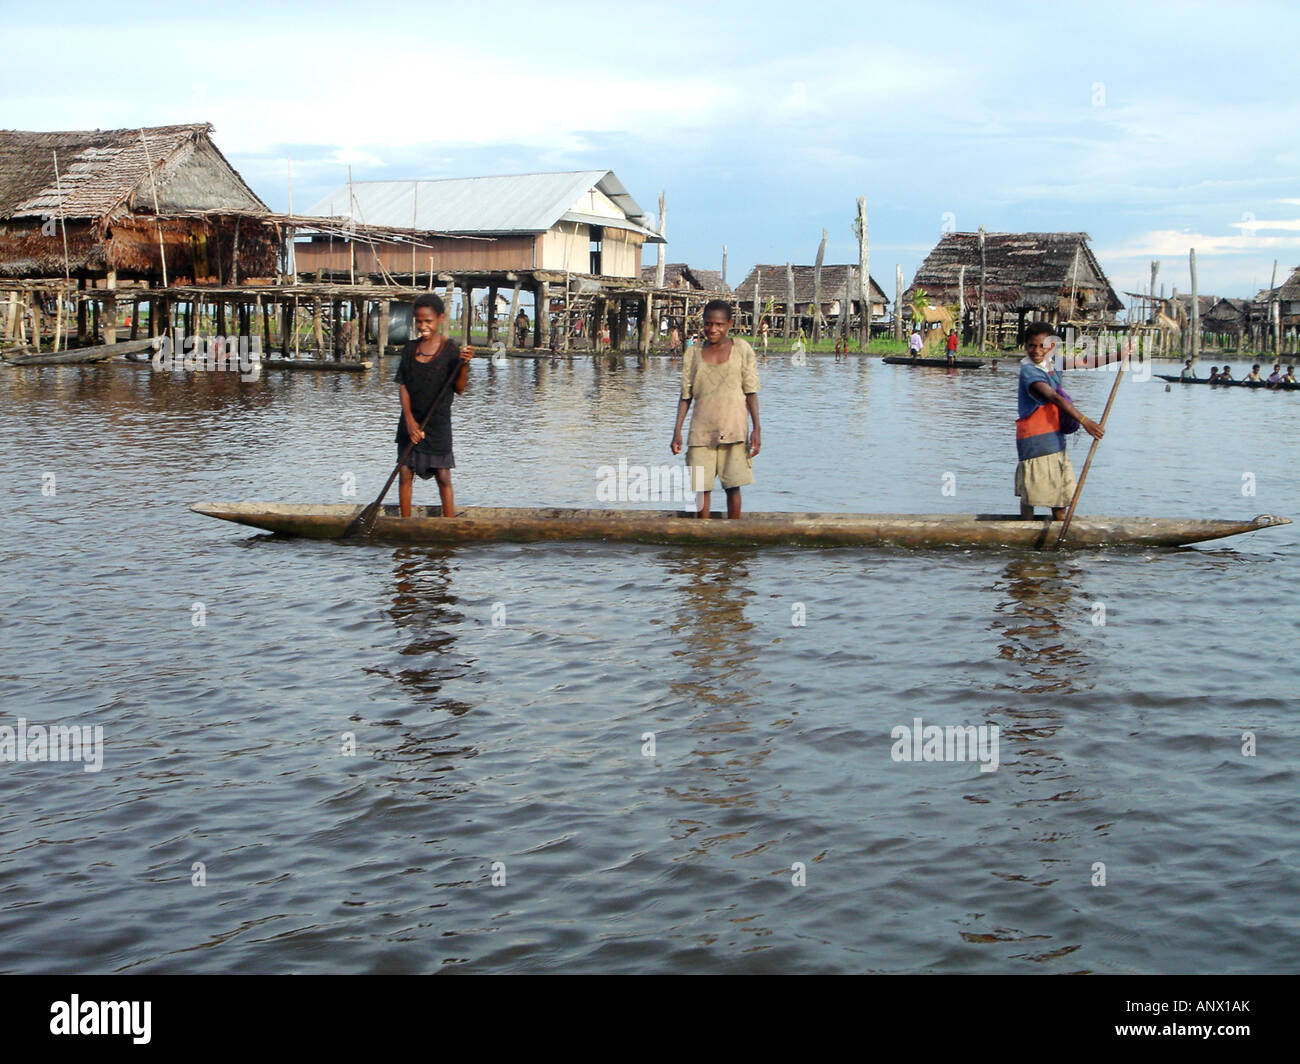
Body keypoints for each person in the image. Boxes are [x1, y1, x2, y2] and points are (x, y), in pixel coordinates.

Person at [671, 300, 760, 519]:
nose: (713, 329)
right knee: (702, 489)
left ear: (729, 324)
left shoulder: (741, 349)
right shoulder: (693, 354)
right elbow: (685, 396)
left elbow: (751, 392)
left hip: (734, 431)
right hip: (701, 433)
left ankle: (735, 532)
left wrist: (757, 428)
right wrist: (677, 431)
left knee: (733, 487)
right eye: (708, 324)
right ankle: (704, 535)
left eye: (719, 324)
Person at [1015, 322, 1104, 521]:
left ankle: (1055, 527)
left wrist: (1121, 355)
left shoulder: (1053, 362)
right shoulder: (1029, 370)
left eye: (1043, 346)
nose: (1037, 351)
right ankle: (1025, 530)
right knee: (1032, 493)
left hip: (1054, 438)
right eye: (1032, 346)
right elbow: (1054, 397)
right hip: (1035, 440)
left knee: (1060, 498)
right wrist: (1085, 421)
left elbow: (1087, 363)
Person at [394, 293, 472, 518]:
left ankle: (448, 524)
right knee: (406, 473)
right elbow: (403, 385)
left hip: (437, 424)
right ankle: (405, 524)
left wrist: (464, 364)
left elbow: (459, 388)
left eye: (428, 321)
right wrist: (409, 422)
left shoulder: (451, 351)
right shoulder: (410, 349)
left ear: (440, 319)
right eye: (418, 321)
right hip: (411, 422)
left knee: (443, 476)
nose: (422, 326)